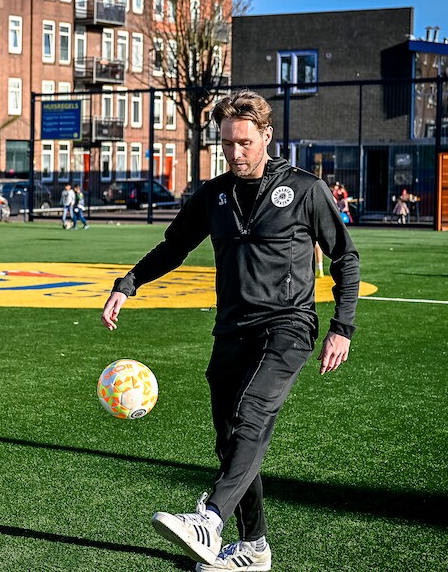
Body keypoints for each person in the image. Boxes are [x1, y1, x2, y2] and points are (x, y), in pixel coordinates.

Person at [100, 90, 360, 571]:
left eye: (244, 142)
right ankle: (254, 546)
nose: (235, 153)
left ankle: (209, 519)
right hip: (231, 330)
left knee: (251, 413)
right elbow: (174, 246)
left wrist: (342, 326)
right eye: (226, 143)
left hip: (288, 326)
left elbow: (345, 256)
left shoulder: (305, 189)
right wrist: (128, 283)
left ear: (266, 136)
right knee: (231, 440)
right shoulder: (213, 194)